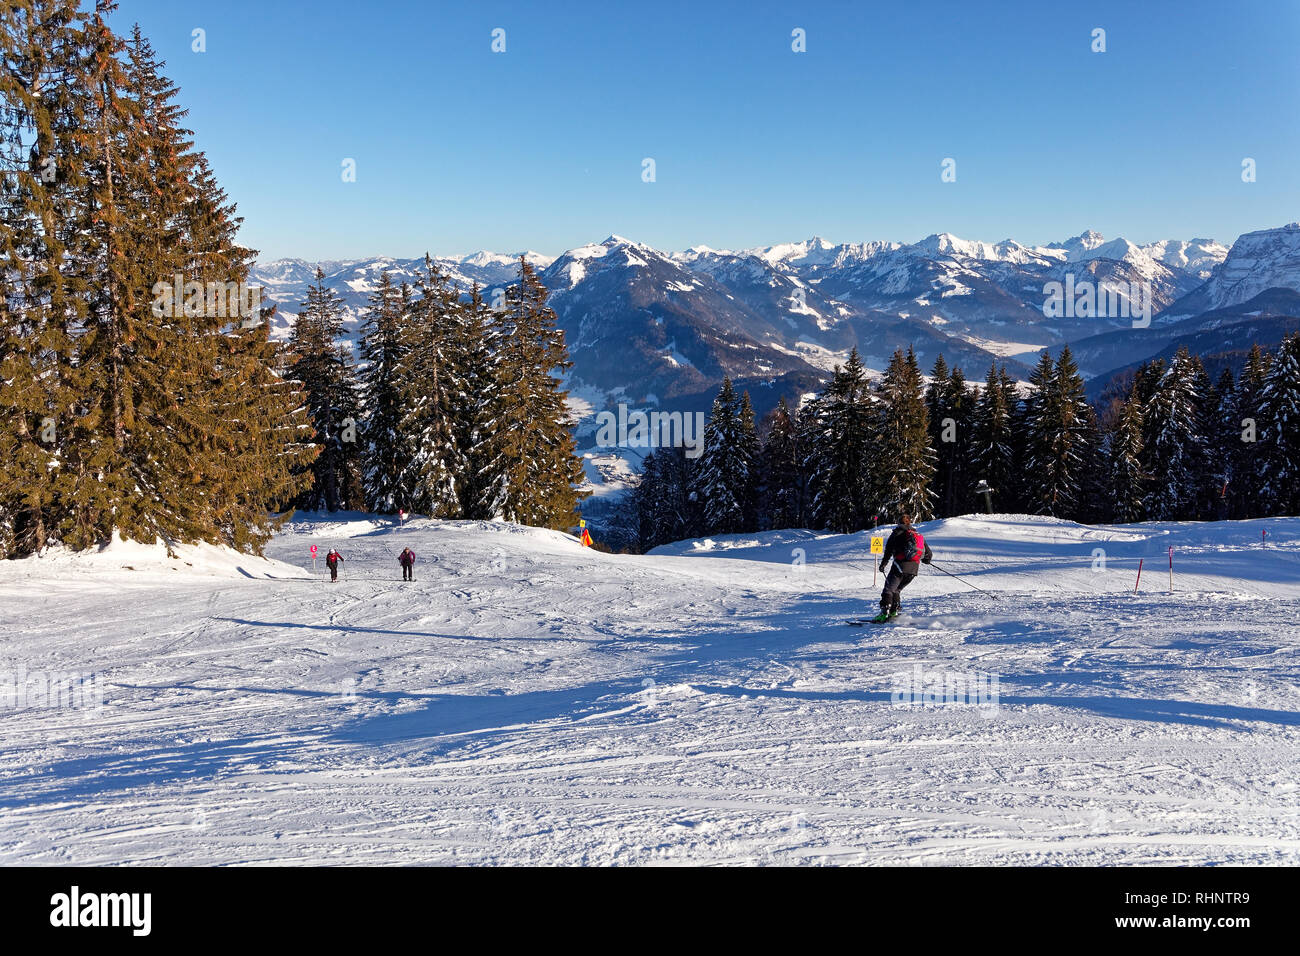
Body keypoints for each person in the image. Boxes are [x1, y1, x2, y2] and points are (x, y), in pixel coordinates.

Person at [874, 513, 931, 622]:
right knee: (897, 590)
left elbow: (889, 550)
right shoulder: (917, 534)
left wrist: (883, 564)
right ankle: (894, 612)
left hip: (900, 567)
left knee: (888, 589)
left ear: (898, 522)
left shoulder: (897, 533)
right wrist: (925, 560)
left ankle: (884, 613)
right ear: (909, 522)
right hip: (913, 569)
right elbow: (928, 554)